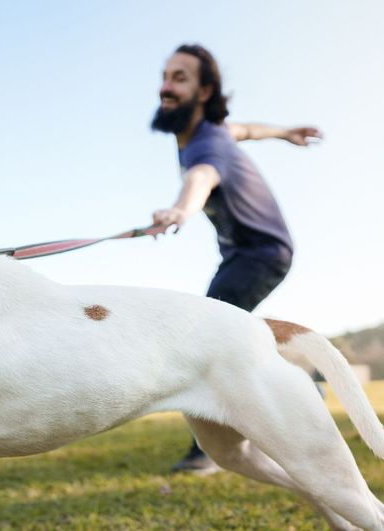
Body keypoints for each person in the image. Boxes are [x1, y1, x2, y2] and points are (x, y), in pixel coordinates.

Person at [148, 44, 322, 474]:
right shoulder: (213, 131)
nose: (166, 87)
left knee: (209, 337)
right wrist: (284, 132)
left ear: (204, 91)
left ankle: (207, 451)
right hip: (246, 254)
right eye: (166, 76)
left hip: (262, 253)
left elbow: (201, 177)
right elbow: (246, 129)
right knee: (229, 338)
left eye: (180, 78)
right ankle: (305, 389)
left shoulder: (206, 143)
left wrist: (180, 211)